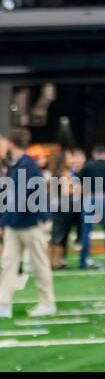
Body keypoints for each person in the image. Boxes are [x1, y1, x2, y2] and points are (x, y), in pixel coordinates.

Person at [0, 133, 57, 318]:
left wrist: (4, 220)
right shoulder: (17, 165)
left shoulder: (27, 164)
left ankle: (47, 303)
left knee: (39, 263)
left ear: (10, 142)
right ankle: (3, 304)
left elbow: (21, 198)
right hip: (16, 223)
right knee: (8, 264)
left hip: (31, 223)